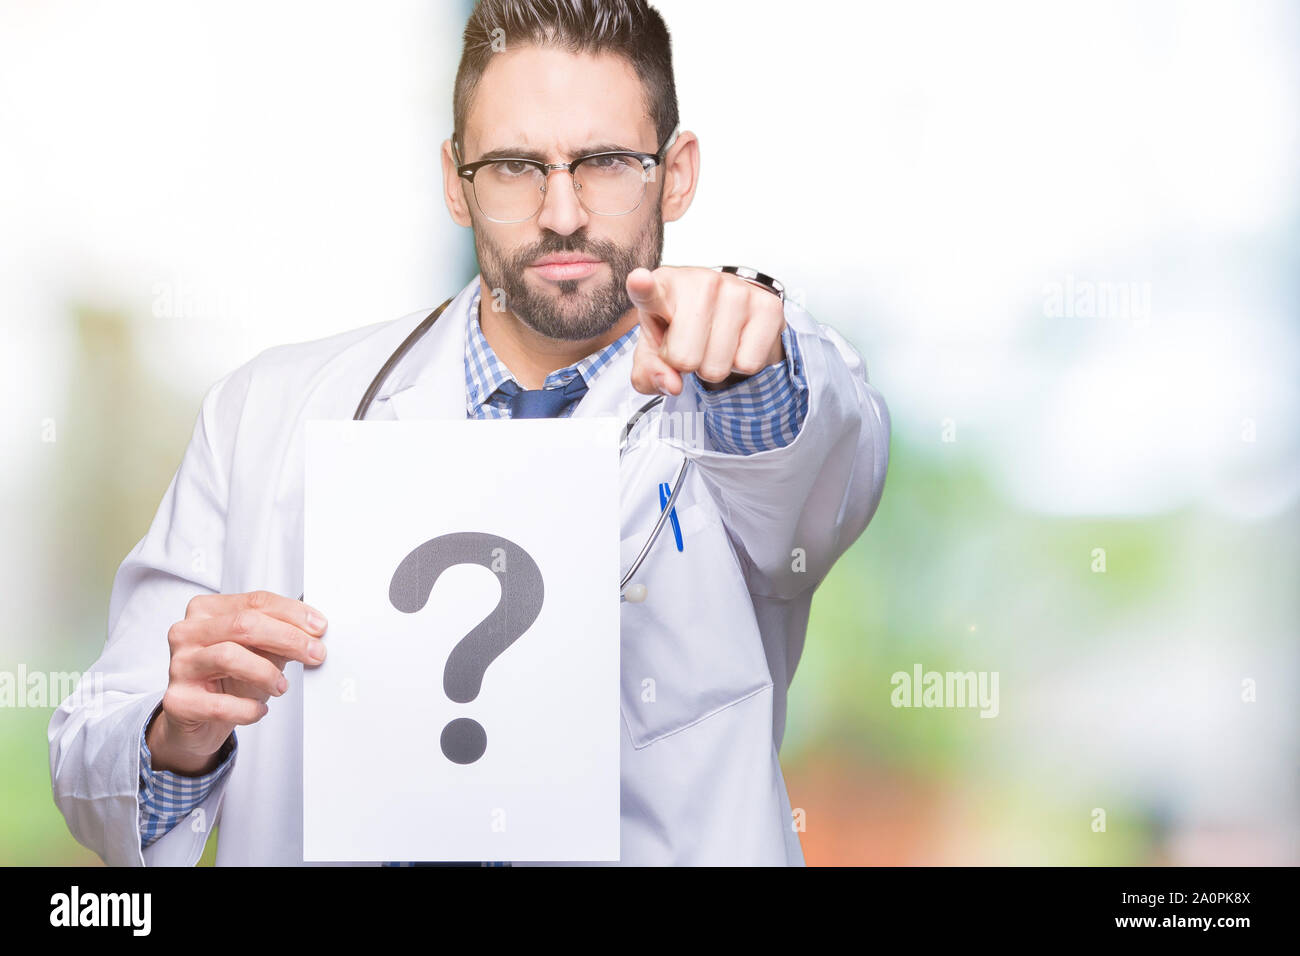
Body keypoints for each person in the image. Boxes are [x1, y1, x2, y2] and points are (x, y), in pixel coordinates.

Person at [48, 0, 890, 866]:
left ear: (676, 173)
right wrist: (175, 735)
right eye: (516, 166)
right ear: (456, 181)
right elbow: (93, 762)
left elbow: (815, 455)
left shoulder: (740, 405)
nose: (562, 213)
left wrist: (757, 349)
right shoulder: (265, 414)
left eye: (604, 162)